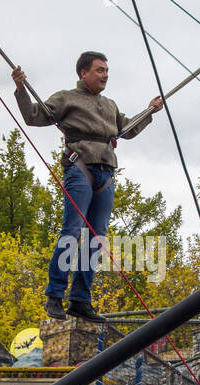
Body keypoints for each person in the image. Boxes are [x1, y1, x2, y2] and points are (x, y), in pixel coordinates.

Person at [12, 51, 163, 322]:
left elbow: (127, 130)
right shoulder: (66, 98)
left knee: (96, 238)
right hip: (80, 167)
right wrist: (21, 89)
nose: (105, 75)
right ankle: (55, 294)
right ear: (83, 73)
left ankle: (80, 299)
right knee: (72, 230)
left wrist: (150, 110)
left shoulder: (110, 105)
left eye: (106, 70)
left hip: (105, 173)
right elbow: (34, 116)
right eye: (99, 70)